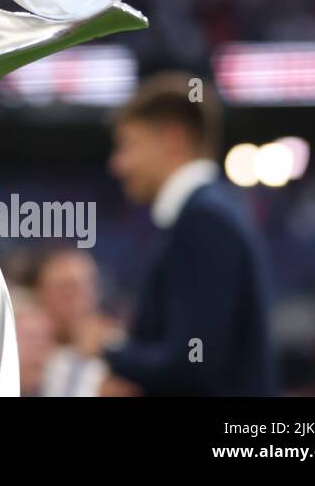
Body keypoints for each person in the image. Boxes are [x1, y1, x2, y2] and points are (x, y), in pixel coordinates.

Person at [81, 71, 278, 396]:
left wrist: (110, 350)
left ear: (173, 139)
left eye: (128, 145)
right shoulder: (207, 214)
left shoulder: (204, 219)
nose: (117, 165)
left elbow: (195, 364)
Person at [34, 248, 112, 396]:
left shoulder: (113, 349)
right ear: (41, 294)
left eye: (77, 287)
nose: (70, 298)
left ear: (94, 293)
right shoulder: (26, 343)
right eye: (62, 288)